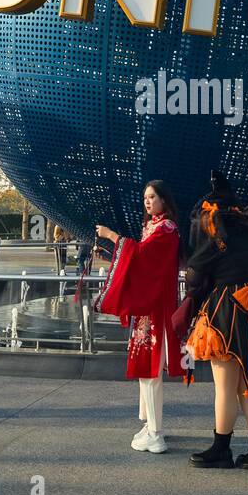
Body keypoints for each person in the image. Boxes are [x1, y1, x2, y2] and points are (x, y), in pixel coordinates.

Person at [180, 171, 248, 474]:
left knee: (224, 387)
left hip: (226, 311)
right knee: (247, 385)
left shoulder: (216, 231)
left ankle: (221, 449)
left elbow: (195, 273)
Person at [95, 181, 184, 454]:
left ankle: (156, 433)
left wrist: (112, 236)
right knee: (147, 371)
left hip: (156, 308)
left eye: (153, 197)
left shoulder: (166, 230)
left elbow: (143, 258)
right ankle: (150, 425)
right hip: (150, 308)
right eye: (145, 197)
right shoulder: (155, 228)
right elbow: (140, 262)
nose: (148, 202)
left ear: (164, 200)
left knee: (150, 371)